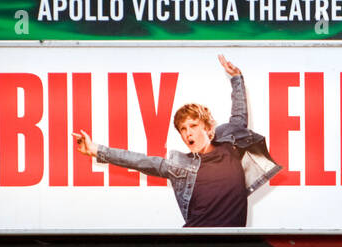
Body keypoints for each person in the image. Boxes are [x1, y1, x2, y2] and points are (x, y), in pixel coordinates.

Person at [73, 54, 281, 228]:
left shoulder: (230, 146)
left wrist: (236, 79)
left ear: (208, 128)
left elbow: (238, 118)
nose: (188, 133)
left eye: (193, 126)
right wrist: (95, 150)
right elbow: (139, 161)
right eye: (183, 129)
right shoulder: (180, 167)